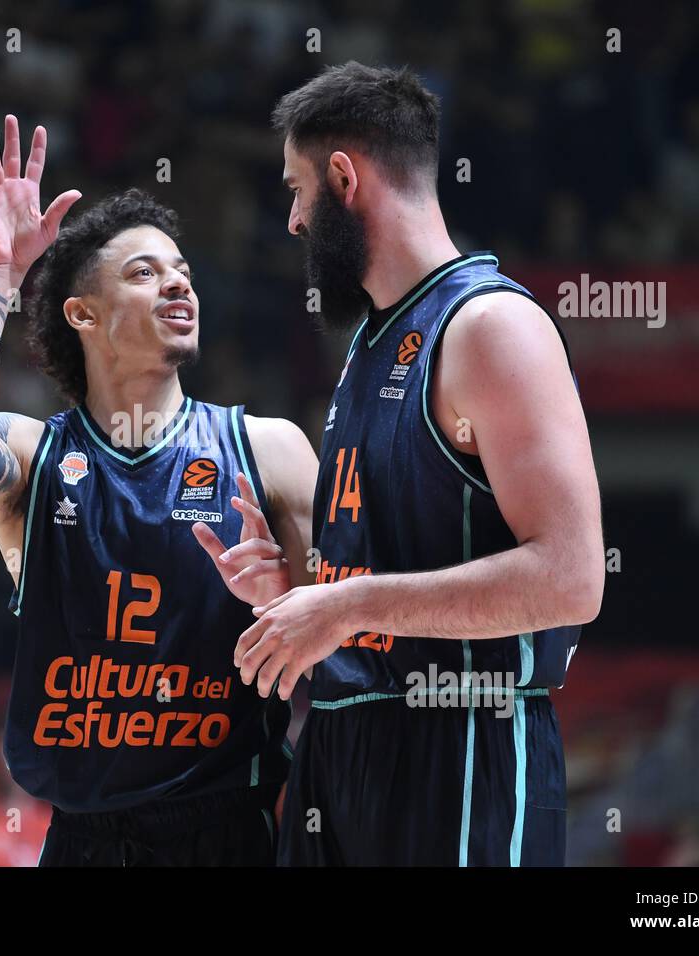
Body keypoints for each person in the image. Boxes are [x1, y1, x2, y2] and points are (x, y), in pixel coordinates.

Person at [208, 62, 604, 866]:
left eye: (297, 189)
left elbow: (571, 577)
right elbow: (390, 576)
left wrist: (347, 611)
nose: (290, 220)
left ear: (344, 177)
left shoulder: (491, 327)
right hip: (346, 739)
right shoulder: (372, 341)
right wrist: (298, 599)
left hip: (462, 739)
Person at [0, 116, 318, 866]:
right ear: (83, 314)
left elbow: (354, 657)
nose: (178, 281)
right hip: (81, 838)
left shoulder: (269, 450)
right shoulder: (36, 455)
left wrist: (286, 604)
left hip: (227, 833)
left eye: (182, 269)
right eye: (144, 272)